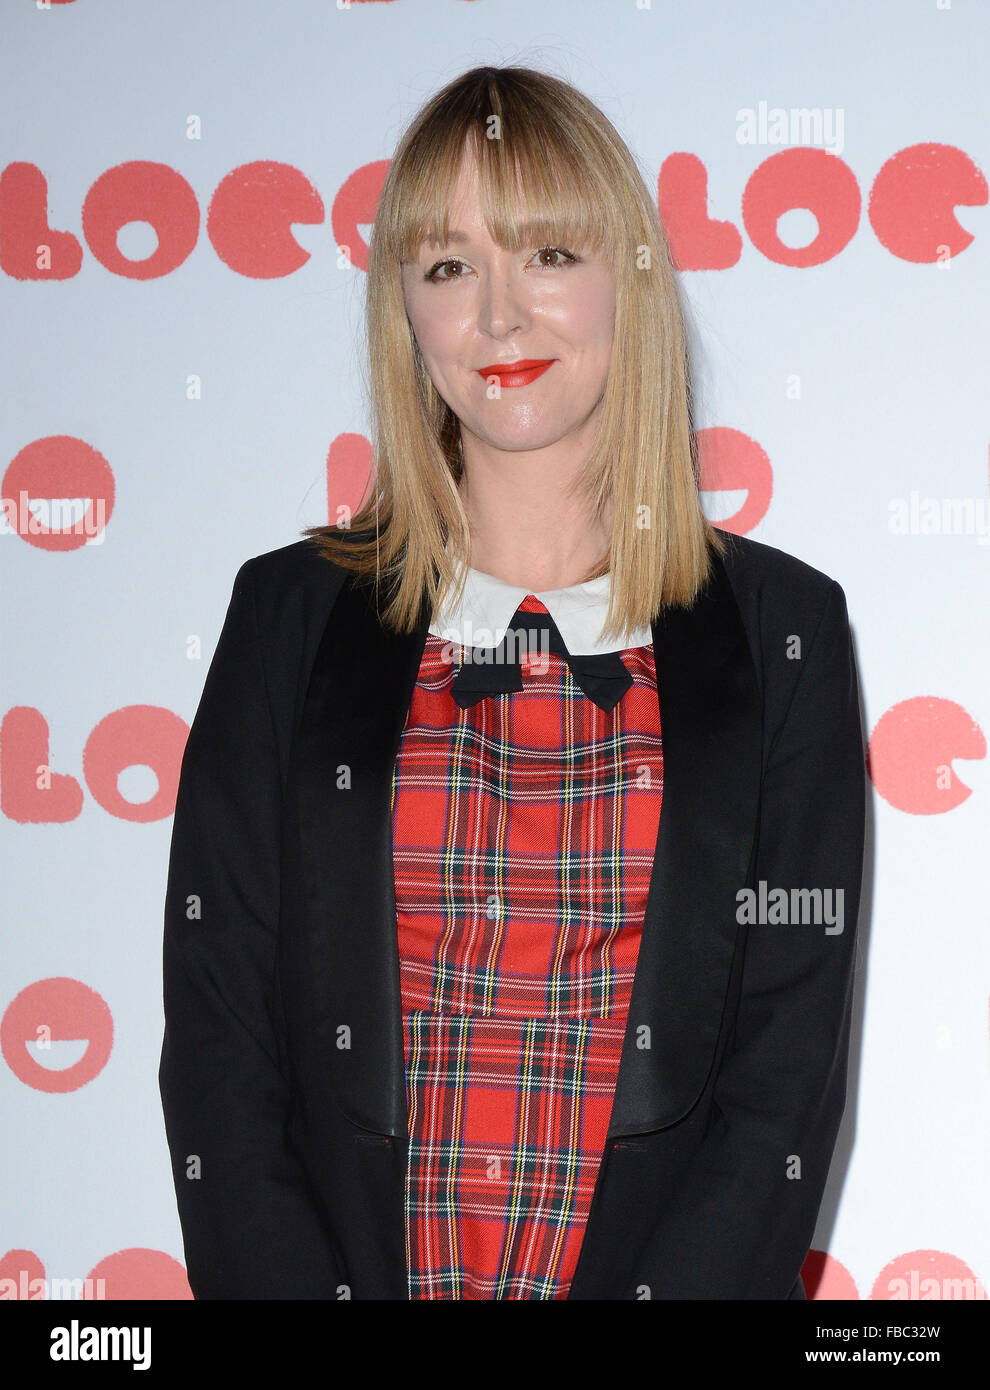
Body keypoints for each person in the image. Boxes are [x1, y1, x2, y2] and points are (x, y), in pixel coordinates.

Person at [158, 64, 866, 1300]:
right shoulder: (287, 617)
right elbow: (222, 1045)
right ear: (407, 313)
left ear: (627, 280)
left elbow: (781, 1082)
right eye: (445, 267)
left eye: (545, 254)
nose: (496, 318)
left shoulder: (785, 633)